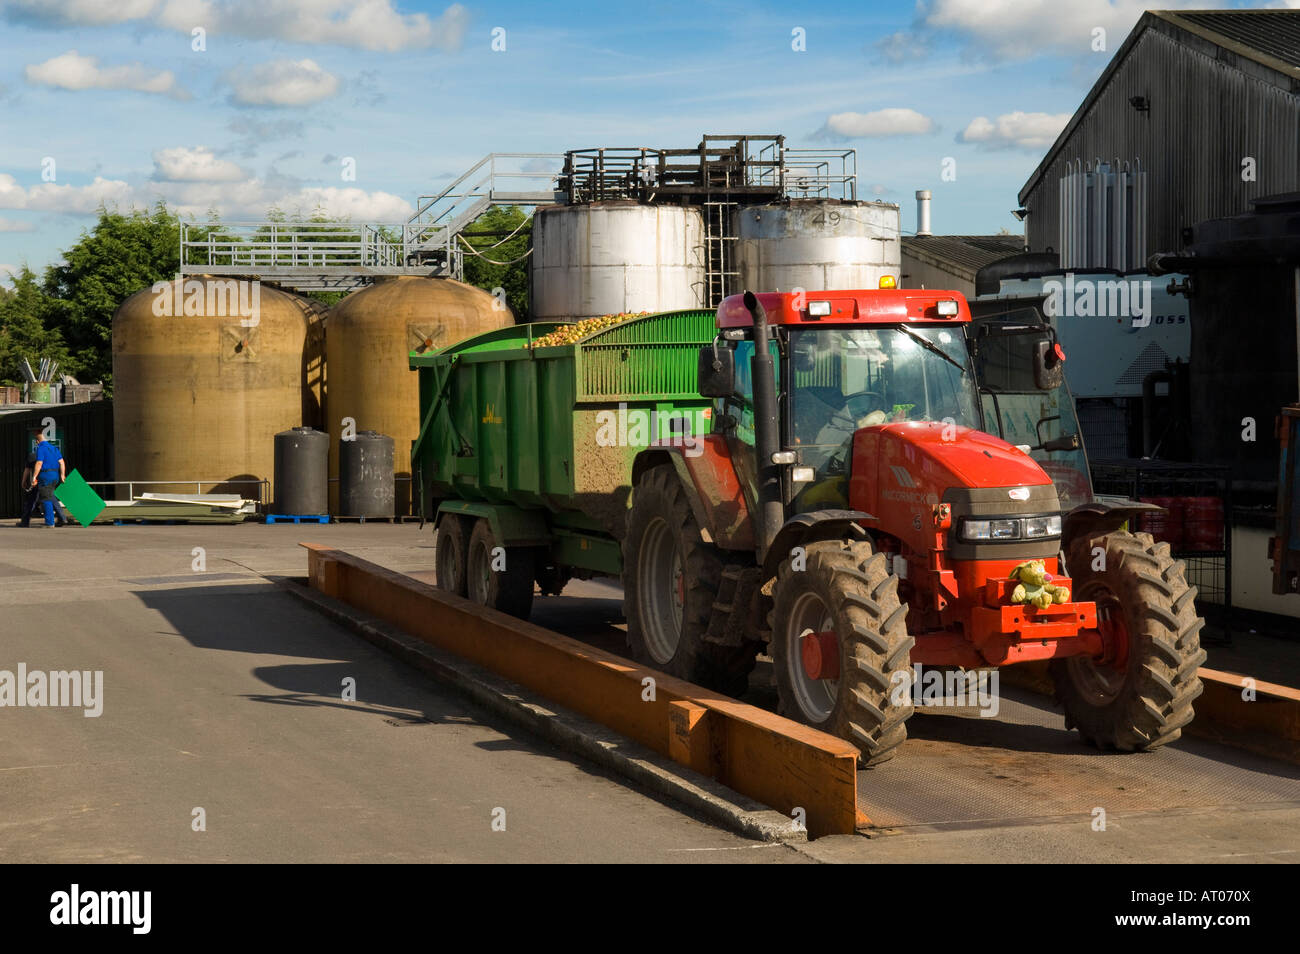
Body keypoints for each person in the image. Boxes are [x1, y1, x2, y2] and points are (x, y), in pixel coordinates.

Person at [28, 427, 68, 528]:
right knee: (50, 496)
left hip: (45, 475)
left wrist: (34, 477)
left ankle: (50, 522)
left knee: (45, 498)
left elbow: (39, 463)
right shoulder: (54, 448)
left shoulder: (41, 448)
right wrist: (62, 475)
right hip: (55, 476)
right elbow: (62, 462)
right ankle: (62, 517)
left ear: (37, 441)